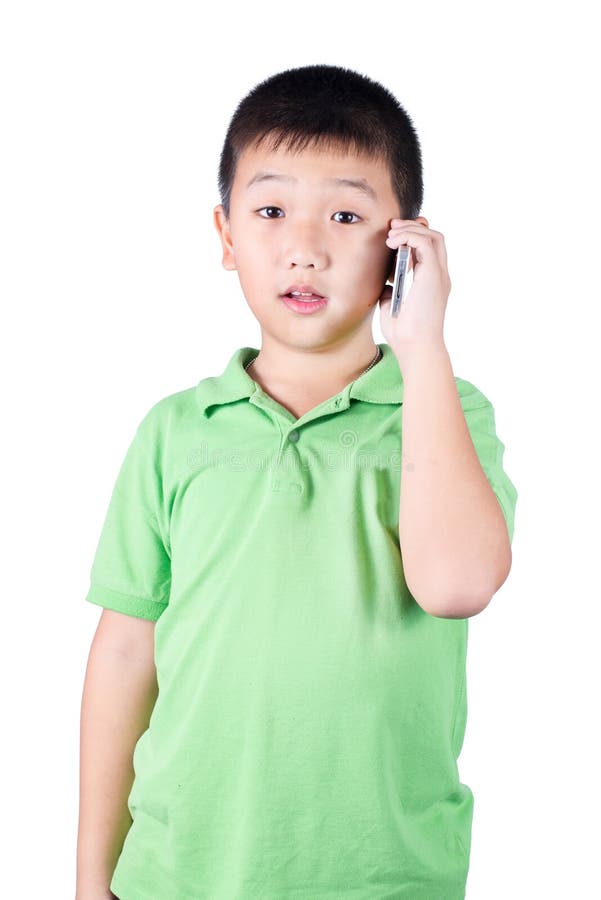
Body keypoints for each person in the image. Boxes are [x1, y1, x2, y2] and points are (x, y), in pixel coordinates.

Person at [76, 64, 518, 900]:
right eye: (270, 210)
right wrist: (92, 879)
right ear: (226, 234)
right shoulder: (177, 431)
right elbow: (125, 653)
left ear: (403, 242)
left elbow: (457, 584)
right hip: (179, 876)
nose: (304, 248)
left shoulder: (442, 412)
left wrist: (423, 349)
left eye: (346, 215)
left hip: (383, 876)